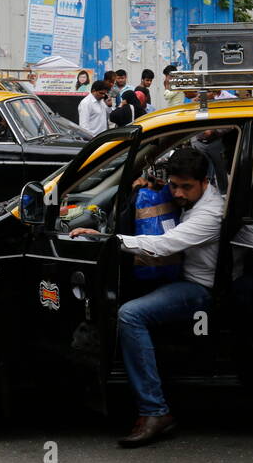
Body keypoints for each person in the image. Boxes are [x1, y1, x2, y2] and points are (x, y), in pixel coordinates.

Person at [71, 149, 224, 446]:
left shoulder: (210, 213)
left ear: (205, 182)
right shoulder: (192, 194)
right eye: (173, 185)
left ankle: (155, 411)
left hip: (199, 290)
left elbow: (166, 245)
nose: (177, 192)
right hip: (179, 276)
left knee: (131, 314)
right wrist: (147, 186)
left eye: (185, 187)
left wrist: (110, 240)